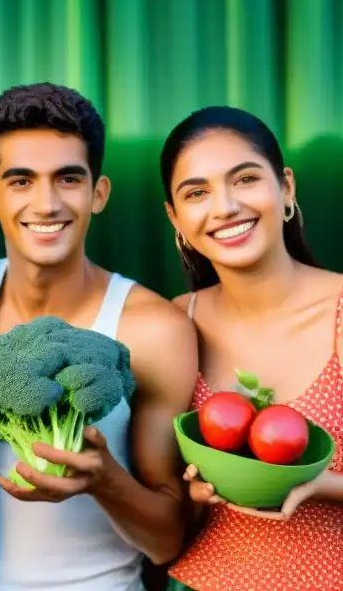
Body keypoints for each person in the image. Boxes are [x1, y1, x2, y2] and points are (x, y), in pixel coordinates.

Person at [0, 83, 199, 591]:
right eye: (20, 181)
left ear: (98, 193)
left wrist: (104, 479)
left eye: (67, 178)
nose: (46, 203)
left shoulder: (155, 330)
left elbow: (168, 541)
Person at [159, 106, 343, 591]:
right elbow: (156, 496)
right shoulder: (175, 323)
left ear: (286, 187)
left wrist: (323, 486)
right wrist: (190, 494)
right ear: (175, 217)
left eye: (244, 179)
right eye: (197, 193)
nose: (224, 208)